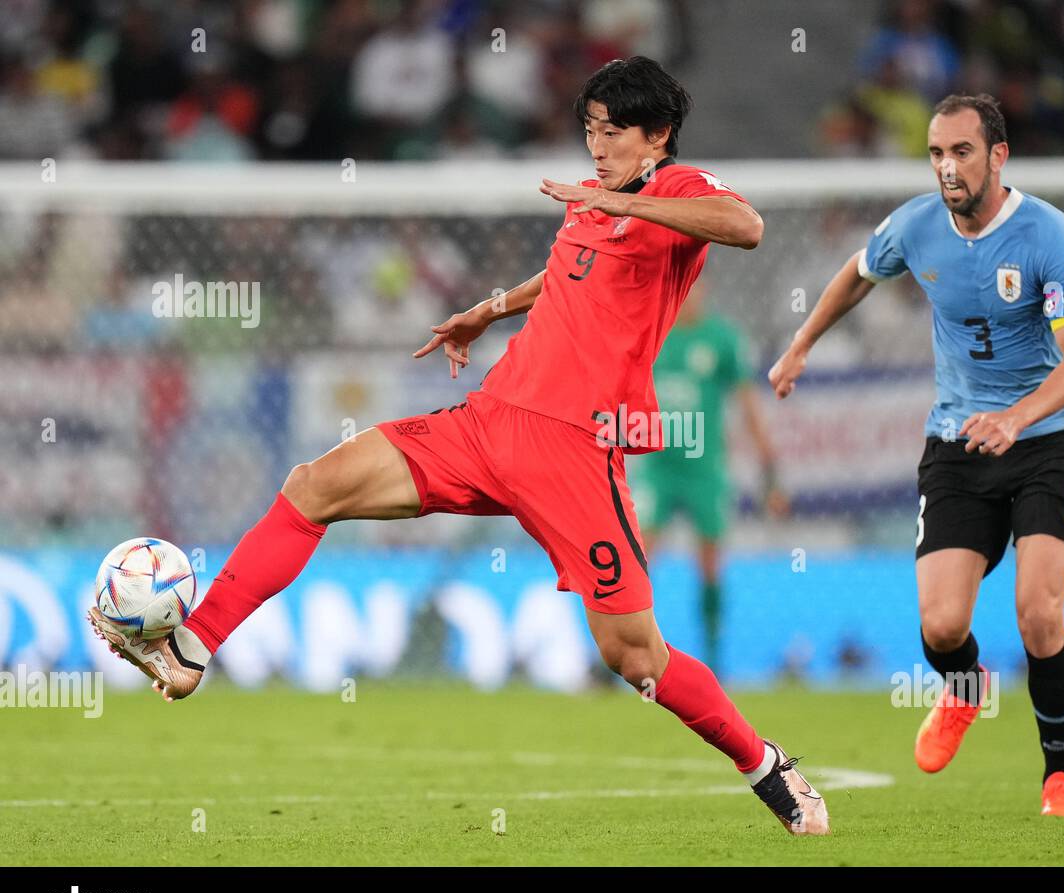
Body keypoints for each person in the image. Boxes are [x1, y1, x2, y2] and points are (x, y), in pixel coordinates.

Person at [89, 56, 828, 836]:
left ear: (660, 135)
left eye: (614, 133)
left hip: (574, 451)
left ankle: (766, 766)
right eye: (590, 131)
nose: (598, 147)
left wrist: (615, 199)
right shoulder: (593, 204)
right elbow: (574, 271)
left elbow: (747, 226)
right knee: (316, 484)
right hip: (490, 421)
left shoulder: (677, 189)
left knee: (635, 657)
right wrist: (492, 307)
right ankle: (193, 648)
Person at [770, 93, 1064, 817]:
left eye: (961, 152)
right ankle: (964, 686)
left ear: (998, 156)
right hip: (958, 446)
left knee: (1038, 613)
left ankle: (1062, 778)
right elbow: (859, 271)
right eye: (935, 154)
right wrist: (802, 344)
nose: (947, 167)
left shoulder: (1050, 237)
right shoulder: (917, 225)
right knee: (942, 626)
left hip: (1050, 440)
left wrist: (1017, 417)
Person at [637, 282, 786, 673]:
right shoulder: (649, 334)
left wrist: (769, 471)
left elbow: (748, 404)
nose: (689, 294)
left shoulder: (720, 339)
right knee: (635, 560)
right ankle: (619, 658)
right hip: (657, 468)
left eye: (694, 286)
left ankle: (714, 660)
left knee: (709, 563)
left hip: (705, 471)